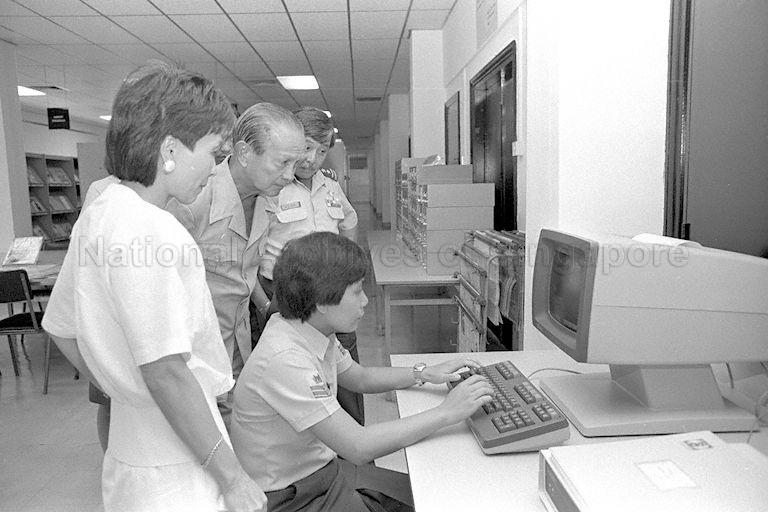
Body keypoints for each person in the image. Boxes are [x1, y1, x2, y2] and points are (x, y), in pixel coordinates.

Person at [42, 61, 266, 512]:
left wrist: (119, 385)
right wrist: (233, 477)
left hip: (132, 453)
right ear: (169, 150)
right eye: (213, 154)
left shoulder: (100, 214)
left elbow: (61, 328)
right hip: (179, 465)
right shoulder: (154, 231)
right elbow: (165, 370)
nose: (215, 169)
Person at [231, 232, 494, 511]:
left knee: (424, 494)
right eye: (357, 291)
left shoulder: (310, 328)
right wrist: (447, 413)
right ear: (321, 301)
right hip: (293, 497)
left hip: (321, 472)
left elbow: (360, 377)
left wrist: (423, 373)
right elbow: (358, 446)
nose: (366, 301)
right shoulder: (285, 359)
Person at [166, 102, 307, 426]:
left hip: (237, 341)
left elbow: (242, 270)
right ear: (244, 153)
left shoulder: (267, 199)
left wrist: (264, 304)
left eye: (295, 163)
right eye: (282, 162)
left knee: (238, 426)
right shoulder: (194, 199)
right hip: (193, 353)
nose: (290, 176)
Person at [251, 106, 365, 425]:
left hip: (331, 292)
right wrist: (263, 303)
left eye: (322, 150)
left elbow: (350, 219)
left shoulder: (330, 186)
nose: (312, 159)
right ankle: (309, 453)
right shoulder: (271, 188)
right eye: (307, 147)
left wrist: (349, 265)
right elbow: (250, 254)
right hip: (284, 292)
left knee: (344, 366)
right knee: (294, 375)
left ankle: (352, 443)